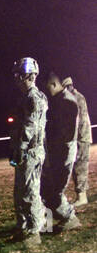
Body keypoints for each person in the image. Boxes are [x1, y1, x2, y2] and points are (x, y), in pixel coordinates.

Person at [8, 58, 47, 249]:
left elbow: (30, 126)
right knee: (20, 192)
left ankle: (34, 231)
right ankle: (23, 227)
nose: (16, 80)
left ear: (28, 76)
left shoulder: (34, 98)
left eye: (19, 76)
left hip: (30, 151)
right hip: (24, 150)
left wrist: (21, 147)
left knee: (30, 192)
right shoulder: (26, 98)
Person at [41, 72, 82, 233]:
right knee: (46, 189)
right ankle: (48, 225)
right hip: (55, 152)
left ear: (53, 84)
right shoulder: (58, 101)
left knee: (55, 190)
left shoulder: (67, 102)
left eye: (47, 88)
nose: (46, 92)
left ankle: (70, 217)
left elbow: (67, 134)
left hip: (63, 152)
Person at [62, 77, 90, 206]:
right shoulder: (76, 97)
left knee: (80, 166)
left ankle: (82, 196)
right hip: (79, 137)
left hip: (80, 137)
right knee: (76, 166)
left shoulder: (76, 98)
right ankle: (81, 195)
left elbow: (76, 121)